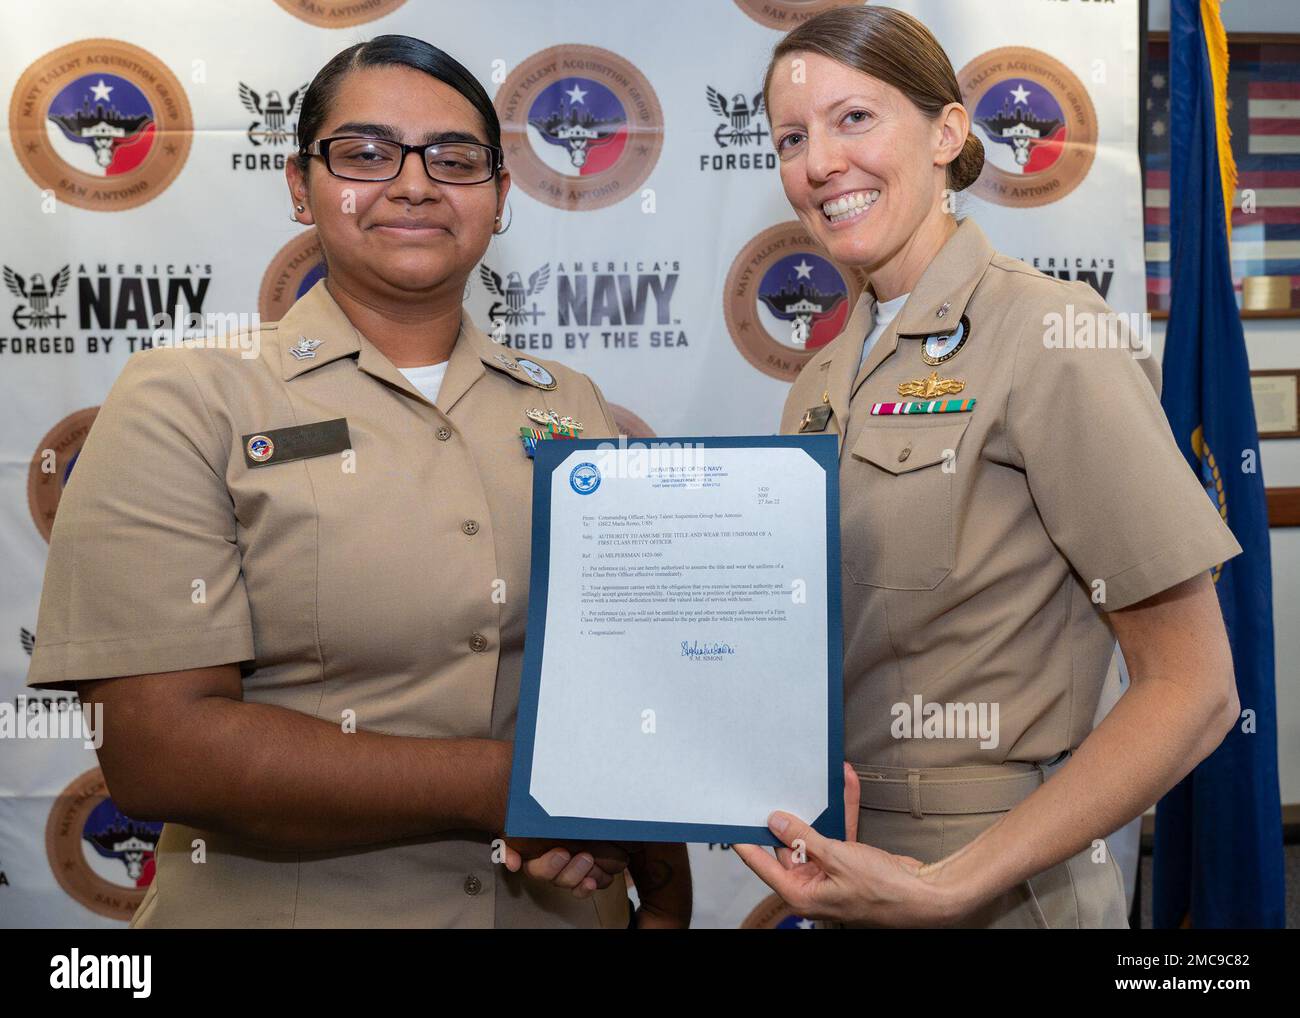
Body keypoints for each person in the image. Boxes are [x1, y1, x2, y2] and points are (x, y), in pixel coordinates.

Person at [26, 34, 690, 929]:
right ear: (301, 186)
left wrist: (665, 881)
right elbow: (158, 752)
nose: (414, 184)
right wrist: (501, 784)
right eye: (367, 154)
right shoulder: (185, 398)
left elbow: (626, 676)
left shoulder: (569, 403)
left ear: (499, 198)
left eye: (455, 159)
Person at [733, 6, 1241, 928]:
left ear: (949, 133)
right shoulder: (820, 375)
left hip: (1006, 884)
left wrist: (954, 884)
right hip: (840, 863)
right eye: (791, 138)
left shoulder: (1051, 338)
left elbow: (1193, 689)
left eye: (855, 119)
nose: (818, 164)